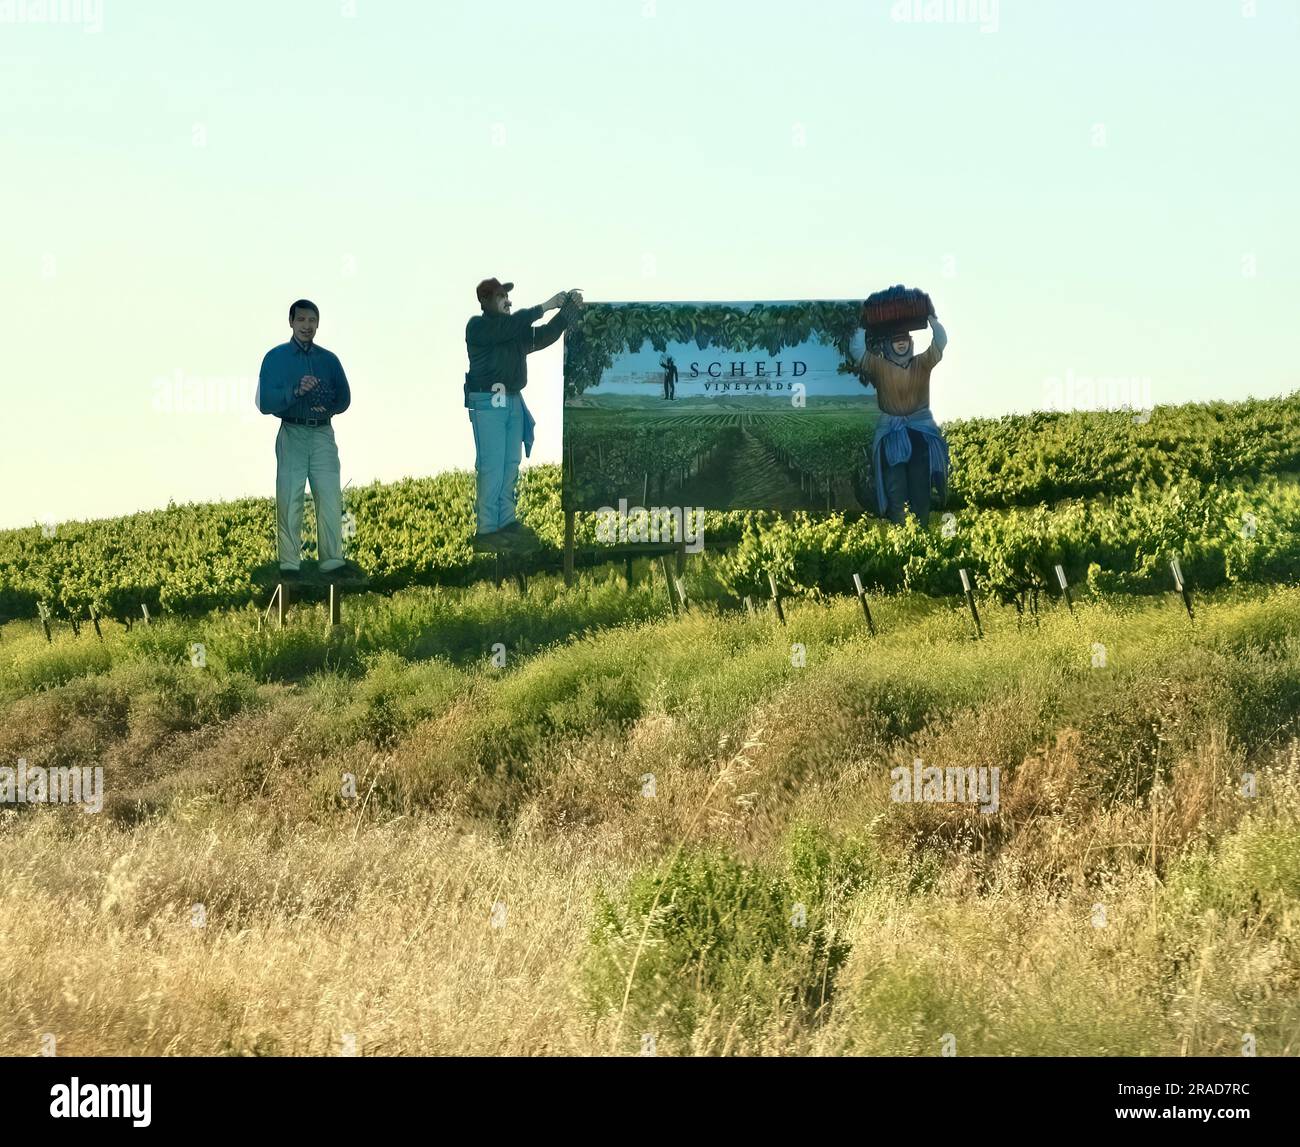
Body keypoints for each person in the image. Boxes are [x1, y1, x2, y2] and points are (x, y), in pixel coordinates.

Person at [464, 278, 582, 552]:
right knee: (492, 466)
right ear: (485, 301)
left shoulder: (511, 330)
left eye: (507, 296)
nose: (507, 300)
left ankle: (505, 522)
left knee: (510, 464)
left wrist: (566, 315)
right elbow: (512, 325)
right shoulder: (479, 327)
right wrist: (548, 305)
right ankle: (486, 530)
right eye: (501, 296)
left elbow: (541, 337)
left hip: (513, 400)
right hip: (489, 399)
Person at [255, 299, 353, 577]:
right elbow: (264, 402)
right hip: (292, 431)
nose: (306, 326)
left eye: (312, 320)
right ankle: (289, 562)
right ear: (291, 322)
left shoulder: (329, 360)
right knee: (289, 496)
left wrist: (329, 406)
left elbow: (344, 397)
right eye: (301, 320)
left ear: (318, 324)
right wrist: (295, 390)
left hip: (323, 433)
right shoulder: (275, 358)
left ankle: (332, 560)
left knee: (330, 495)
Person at [858, 308, 949, 527]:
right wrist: (860, 325)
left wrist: (933, 321)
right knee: (895, 490)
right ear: (890, 344)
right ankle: (900, 534)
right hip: (893, 438)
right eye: (897, 340)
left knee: (920, 491)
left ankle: (921, 535)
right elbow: (857, 351)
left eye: (905, 339)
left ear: (910, 342)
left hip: (919, 436)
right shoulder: (880, 366)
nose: (902, 343)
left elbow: (940, 343)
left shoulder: (922, 363)